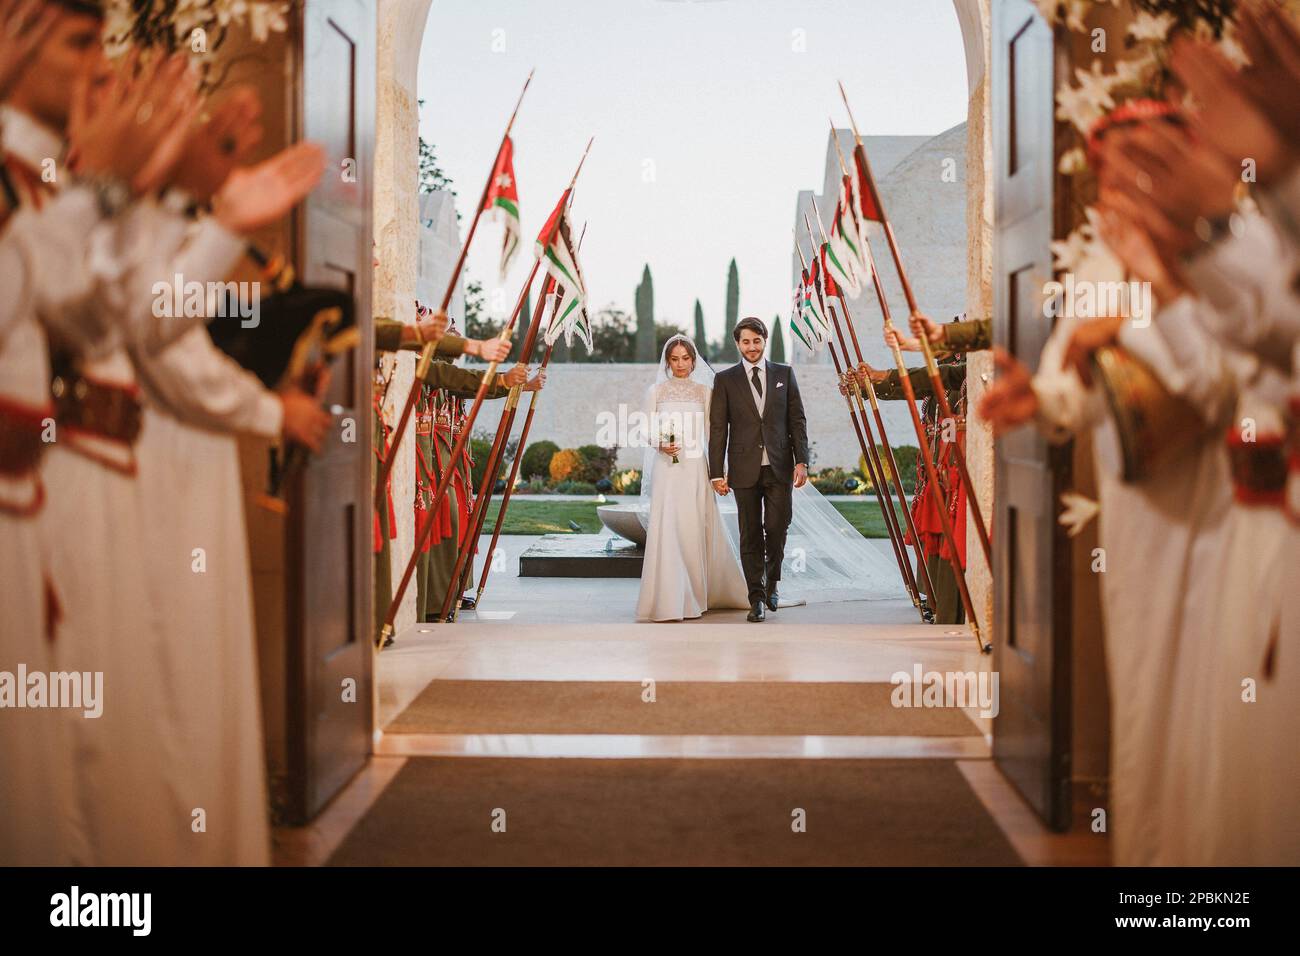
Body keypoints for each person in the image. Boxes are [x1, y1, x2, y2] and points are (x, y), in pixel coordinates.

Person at [635, 334, 749, 622]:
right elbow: (645, 429)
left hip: (696, 468)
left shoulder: (704, 392)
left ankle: (696, 595)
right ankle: (668, 599)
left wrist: (718, 472)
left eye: (685, 358)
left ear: (694, 360)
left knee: (693, 526)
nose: (680, 364)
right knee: (668, 527)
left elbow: (714, 435)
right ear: (667, 361)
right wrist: (659, 443)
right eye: (674, 359)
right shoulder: (656, 391)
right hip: (667, 468)